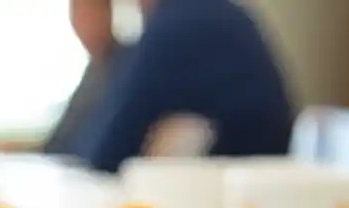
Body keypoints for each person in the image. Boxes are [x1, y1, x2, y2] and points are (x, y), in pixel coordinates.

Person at [73, 0, 293, 172]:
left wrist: (102, 43)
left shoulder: (177, 26)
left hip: (228, 204)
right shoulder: (219, 15)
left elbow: (103, 154)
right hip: (251, 195)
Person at [44, 0, 127, 156]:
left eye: (90, 12)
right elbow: (58, 145)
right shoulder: (94, 70)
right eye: (77, 13)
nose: (83, 21)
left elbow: (103, 148)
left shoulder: (126, 68)